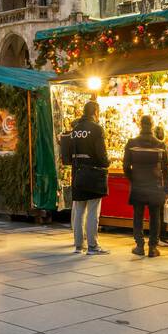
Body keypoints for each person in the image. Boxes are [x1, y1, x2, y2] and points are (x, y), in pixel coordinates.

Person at [63, 101, 109, 255]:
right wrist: (106, 163)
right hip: (93, 175)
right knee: (93, 212)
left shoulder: (75, 129)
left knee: (79, 211)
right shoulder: (96, 129)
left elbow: (67, 153)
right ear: (95, 112)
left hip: (78, 174)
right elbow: (101, 154)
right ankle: (93, 246)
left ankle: (78, 246)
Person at [123, 115, 168, 257]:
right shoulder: (160, 145)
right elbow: (166, 169)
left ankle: (139, 246)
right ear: (152, 125)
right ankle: (153, 247)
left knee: (138, 215)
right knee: (155, 216)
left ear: (139, 125)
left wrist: (134, 178)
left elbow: (125, 167)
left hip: (138, 185)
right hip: (155, 186)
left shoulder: (132, 143)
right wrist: (167, 189)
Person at [153, 125, 168, 245]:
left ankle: (156, 238)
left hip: (152, 183)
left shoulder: (151, 146)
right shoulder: (164, 147)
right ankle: (161, 237)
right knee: (162, 211)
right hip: (163, 183)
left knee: (156, 212)